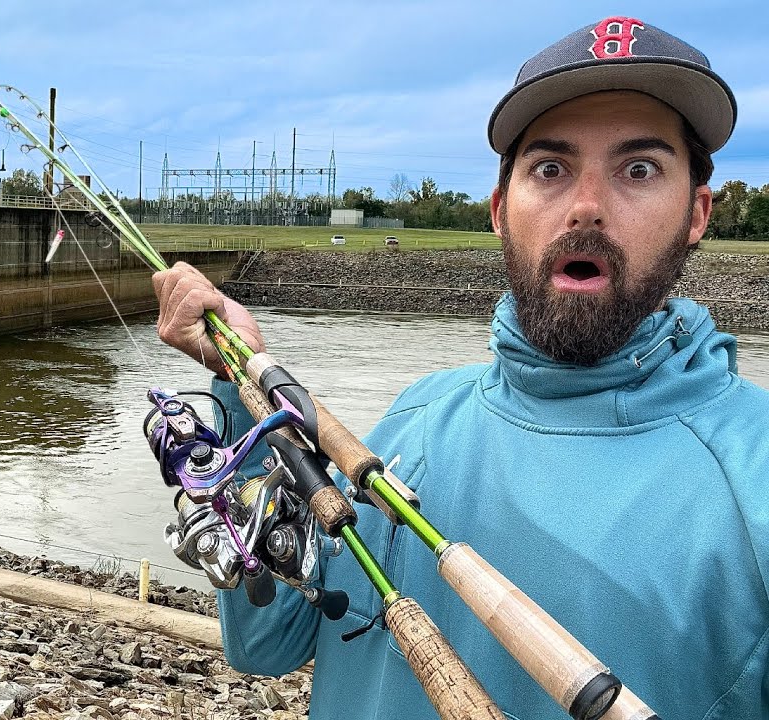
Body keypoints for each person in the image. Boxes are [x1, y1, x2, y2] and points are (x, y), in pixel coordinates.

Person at [152, 17, 768, 720]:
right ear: (503, 209)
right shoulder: (415, 417)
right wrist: (241, 389)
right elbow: (266, 645)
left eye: (639, 169)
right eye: (551, 168)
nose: (587, 208)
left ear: (697, 212)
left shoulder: (756, 481)